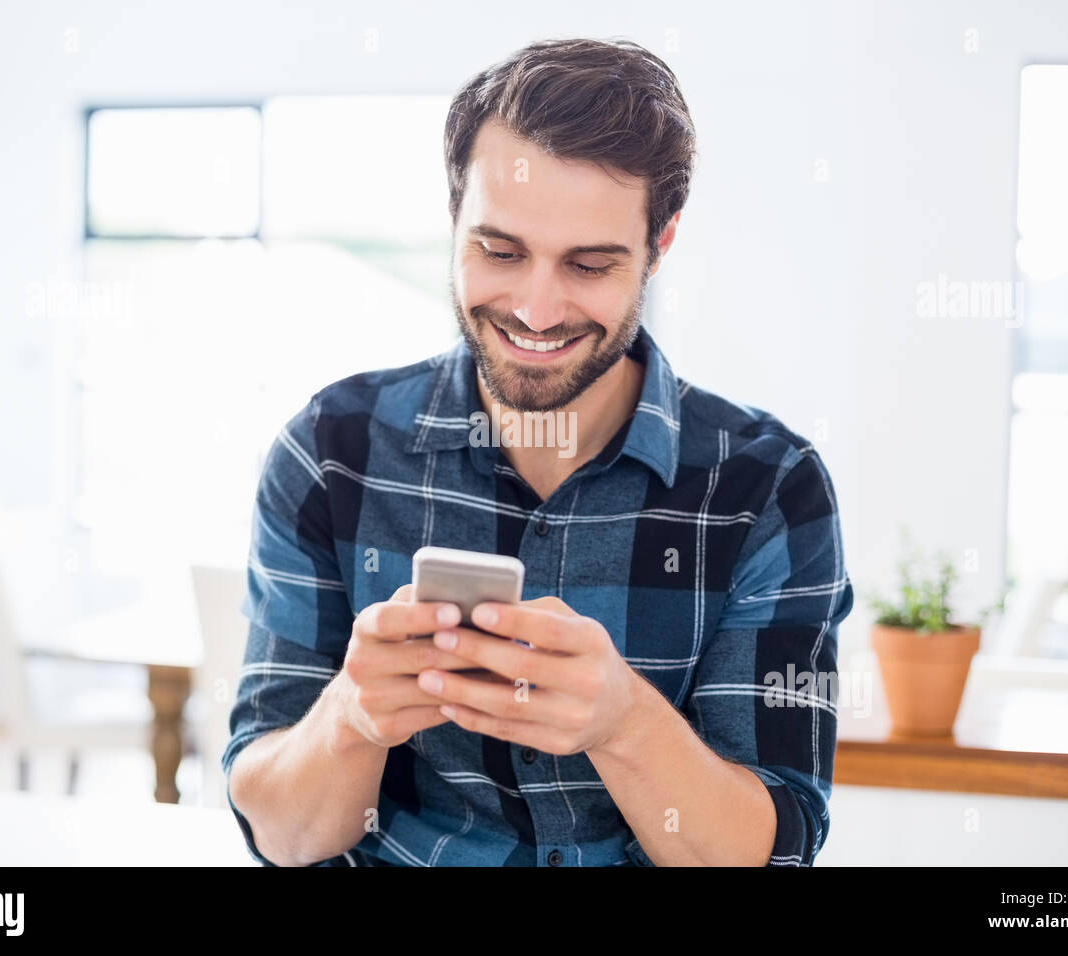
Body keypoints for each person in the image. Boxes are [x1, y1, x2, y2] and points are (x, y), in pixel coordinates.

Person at [224, 36, 853, 866]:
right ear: (453, 220)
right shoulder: (331, 454)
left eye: (590, 264)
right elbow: (283, 833)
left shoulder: (769, 489)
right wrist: (352, 715)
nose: (538, 308)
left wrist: (625, 723)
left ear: (660, 246)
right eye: (501, 251)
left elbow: (768, 851)